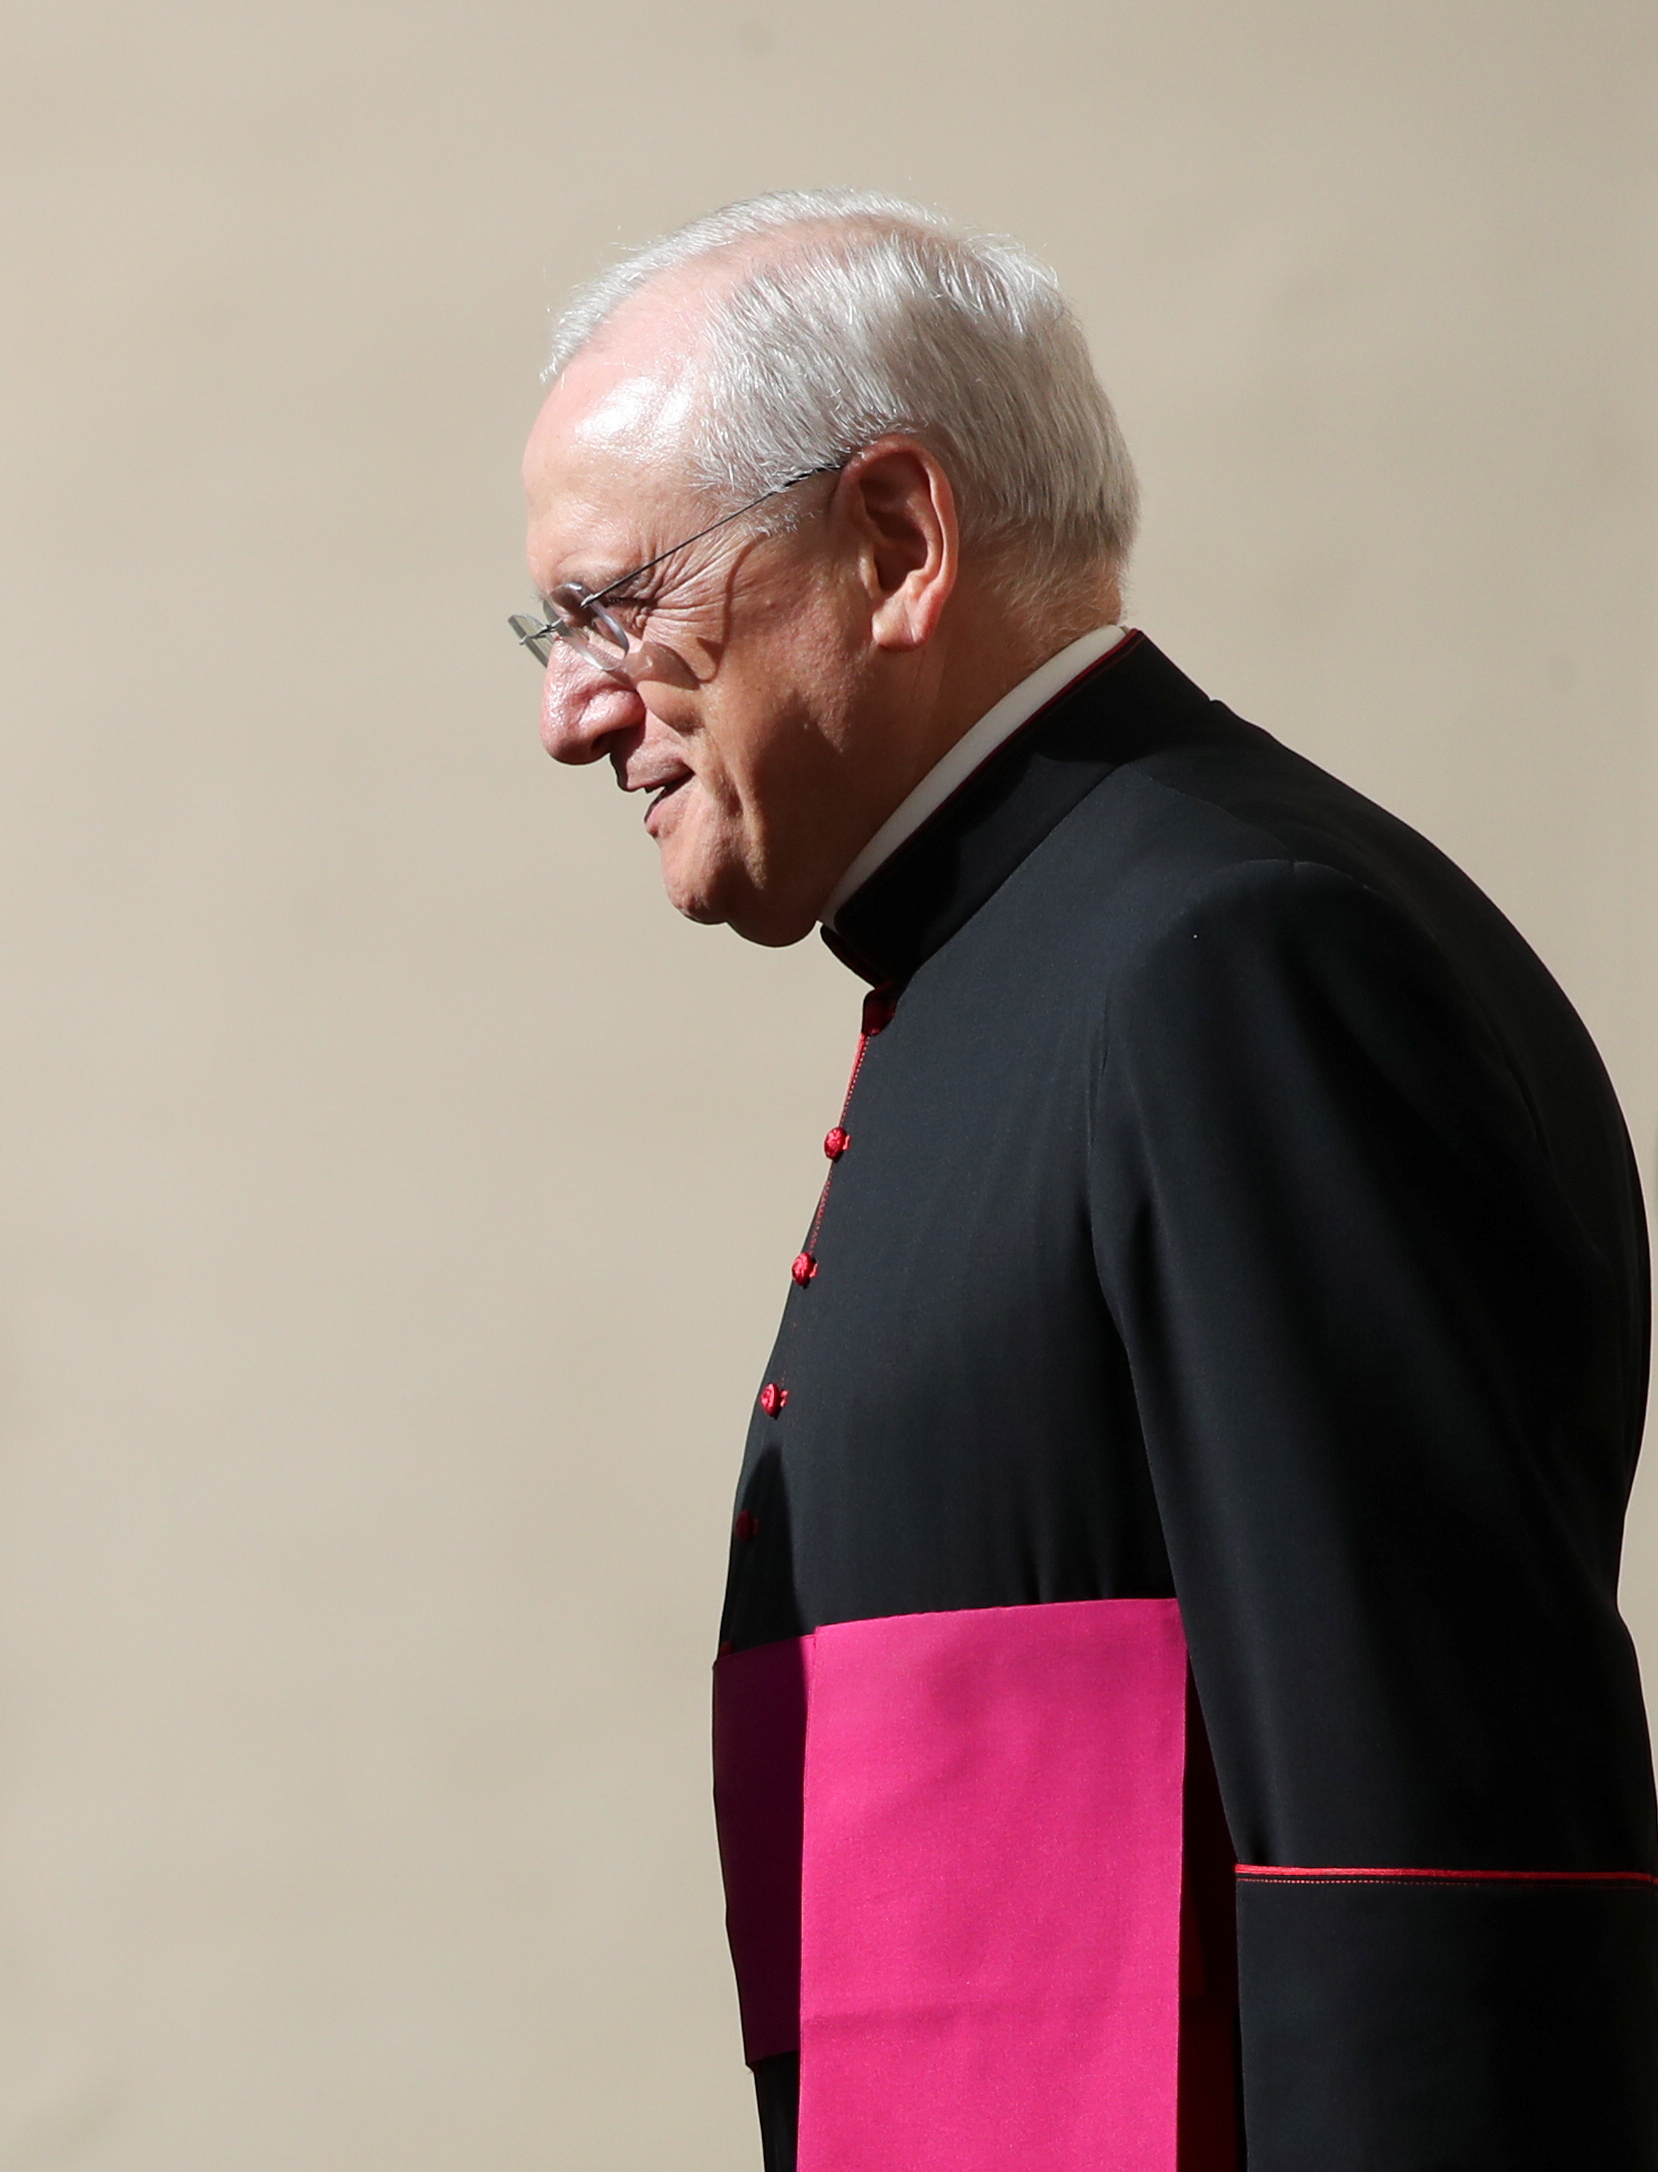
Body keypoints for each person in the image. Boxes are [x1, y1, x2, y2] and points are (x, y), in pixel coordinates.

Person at [520, 192, 1657, 2170]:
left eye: (621, 606)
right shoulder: (1045, 956)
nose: (571, 711)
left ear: (895, 537)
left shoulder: (1229, 962)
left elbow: (1425, 1852)